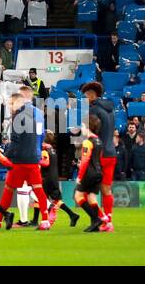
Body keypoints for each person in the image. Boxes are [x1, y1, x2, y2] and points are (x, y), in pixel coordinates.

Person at [0, 92, 52, 230]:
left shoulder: (18, 117)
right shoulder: (32, 117)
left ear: (18, 103)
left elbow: (15, 141)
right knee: (38, 190)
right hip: (33, 158)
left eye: (11, 103)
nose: (9, 106)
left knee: (9, 189)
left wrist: (6, 155)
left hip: (20, 160)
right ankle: (45, 220)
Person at [80, 81, 117, 230]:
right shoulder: (111, 109)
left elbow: (93, 132)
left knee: (89, 192)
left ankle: (100, 219)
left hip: (98, 153)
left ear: (91, 94)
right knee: (107, 190)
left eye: (85, 96)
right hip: (111, 153)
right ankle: (108, 219)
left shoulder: (93, 110)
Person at [37, 132, 79, 227]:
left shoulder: (44, 151)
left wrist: (36, 160)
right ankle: (72, 215)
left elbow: (46, 163)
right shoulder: (53, 150)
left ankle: (45, 222)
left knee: (43, 200)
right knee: (56, 200)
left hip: (46, 179)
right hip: (53, 178)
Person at [74, 116, 106, 232]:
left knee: (78, 196)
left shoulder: (87, 142)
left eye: (82, 126)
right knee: (92, 198)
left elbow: (85, 160)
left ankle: (96, 219)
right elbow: (100, 158)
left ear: (88, 127)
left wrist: (79, 176)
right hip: (98, 172)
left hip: (89, 173)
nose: (81, 128)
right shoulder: (98, 140)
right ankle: (97, 222)